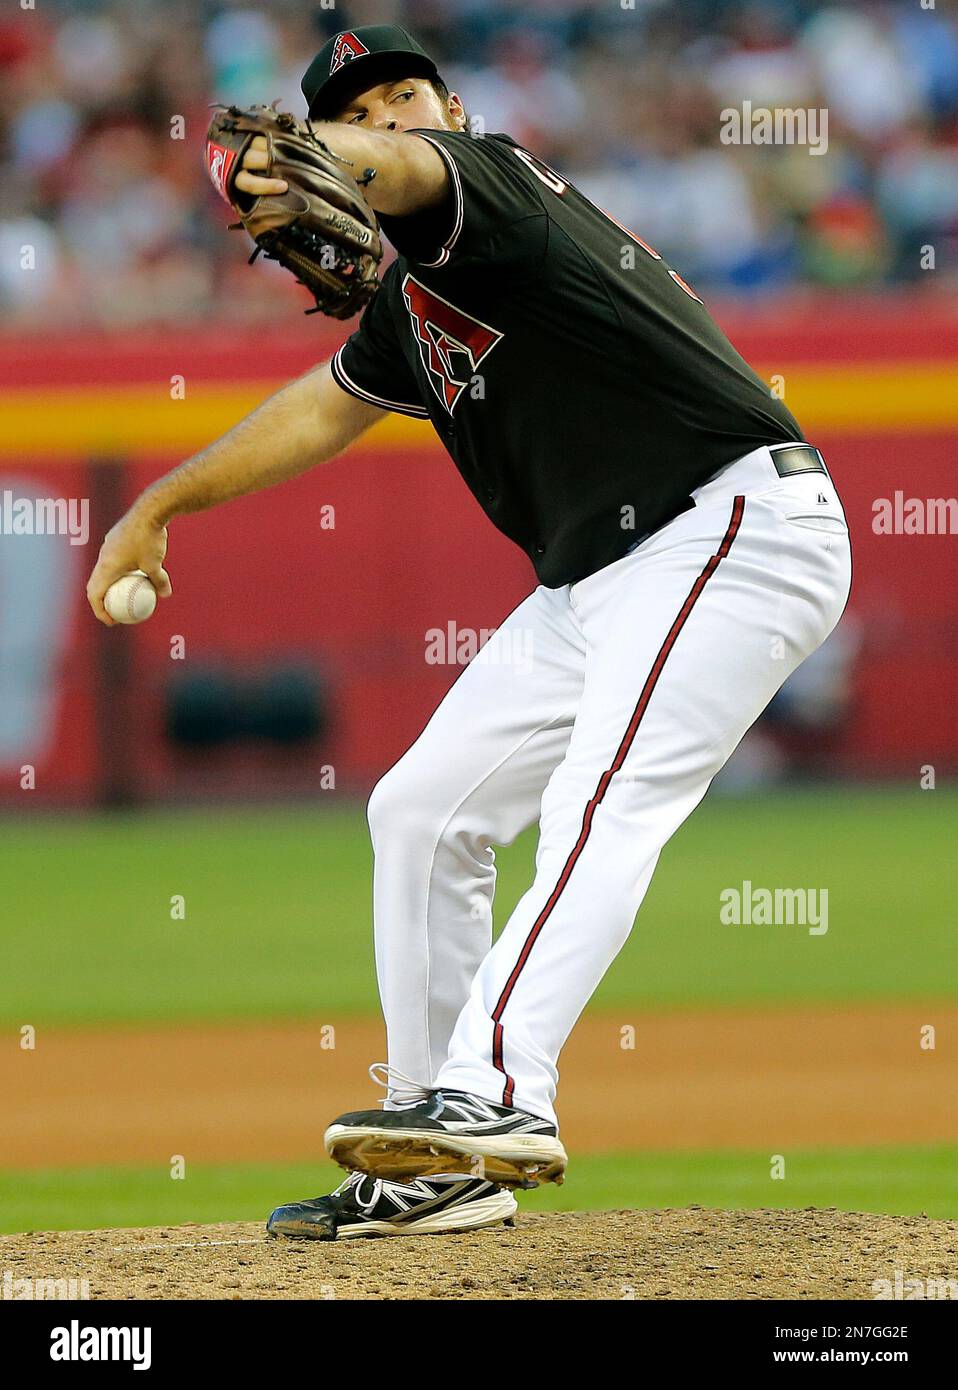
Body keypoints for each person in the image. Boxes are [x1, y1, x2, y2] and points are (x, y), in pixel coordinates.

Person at [87, 25, 852, 1241]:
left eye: (405, 94)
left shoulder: (487, 175)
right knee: (422, 810)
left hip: (731, 526)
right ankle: (433, 1162)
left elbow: (408, 170)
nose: (390, 118)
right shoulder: (412, 298)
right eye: (361, 107)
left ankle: (497, 1091)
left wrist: (316, 150)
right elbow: (318, 410)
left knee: (602, 801)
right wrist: (160, 504)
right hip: (592, 583)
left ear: (446, 102)